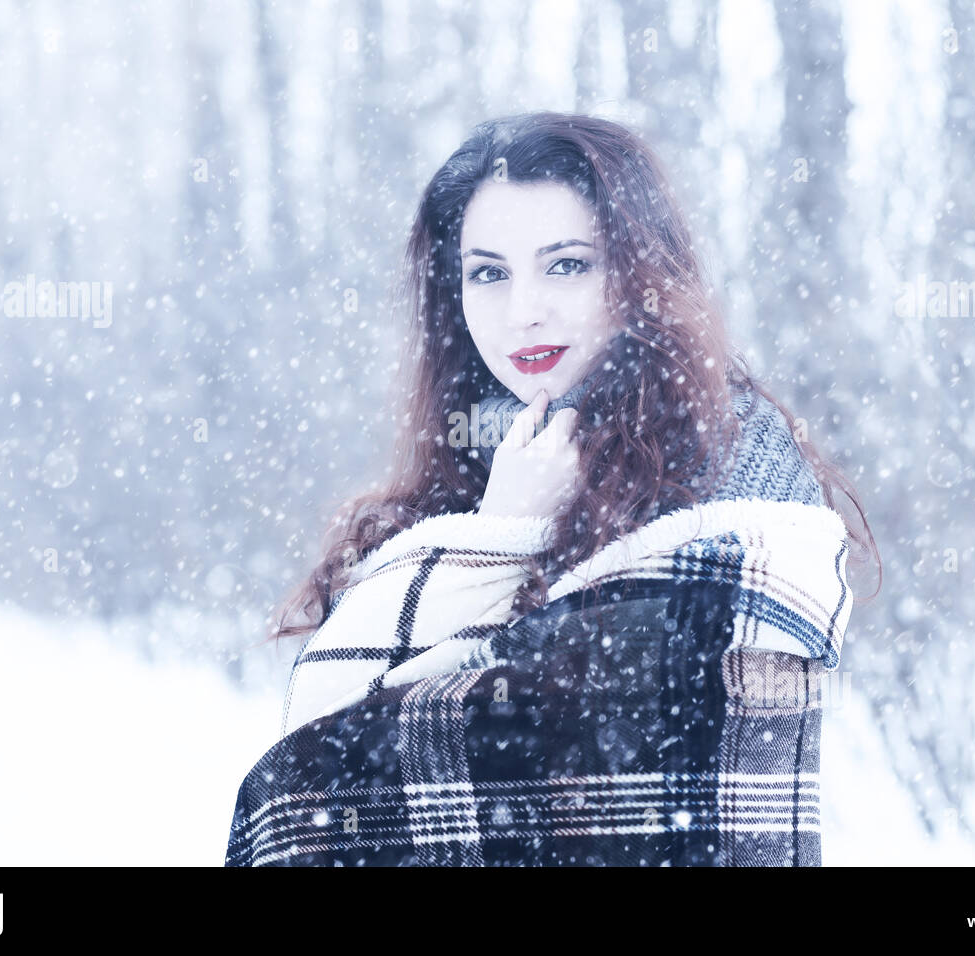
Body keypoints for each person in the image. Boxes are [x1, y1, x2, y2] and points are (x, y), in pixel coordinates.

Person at [226, 110, 881, 866]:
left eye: (568, 264)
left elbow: (643, 791)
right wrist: (501, 525)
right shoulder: (479, 462)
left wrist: (495, 546)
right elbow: (321, 770)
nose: (523, 309)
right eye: (489, 273)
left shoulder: (730, 462)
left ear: (642, 273)